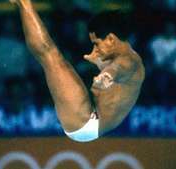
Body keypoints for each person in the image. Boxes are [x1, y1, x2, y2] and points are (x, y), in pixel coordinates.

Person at [11, 0, 145, 142]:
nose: (95, 49)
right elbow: (119, 79)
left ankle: (24, 2)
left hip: (86, 121)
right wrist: (100, 63)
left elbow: (116, 70)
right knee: (56, 61)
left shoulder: (128, 62)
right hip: (94, 120)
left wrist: (104, 78)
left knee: (50, 54)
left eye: (97, 44)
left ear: (111, 38)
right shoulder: (129, 56)